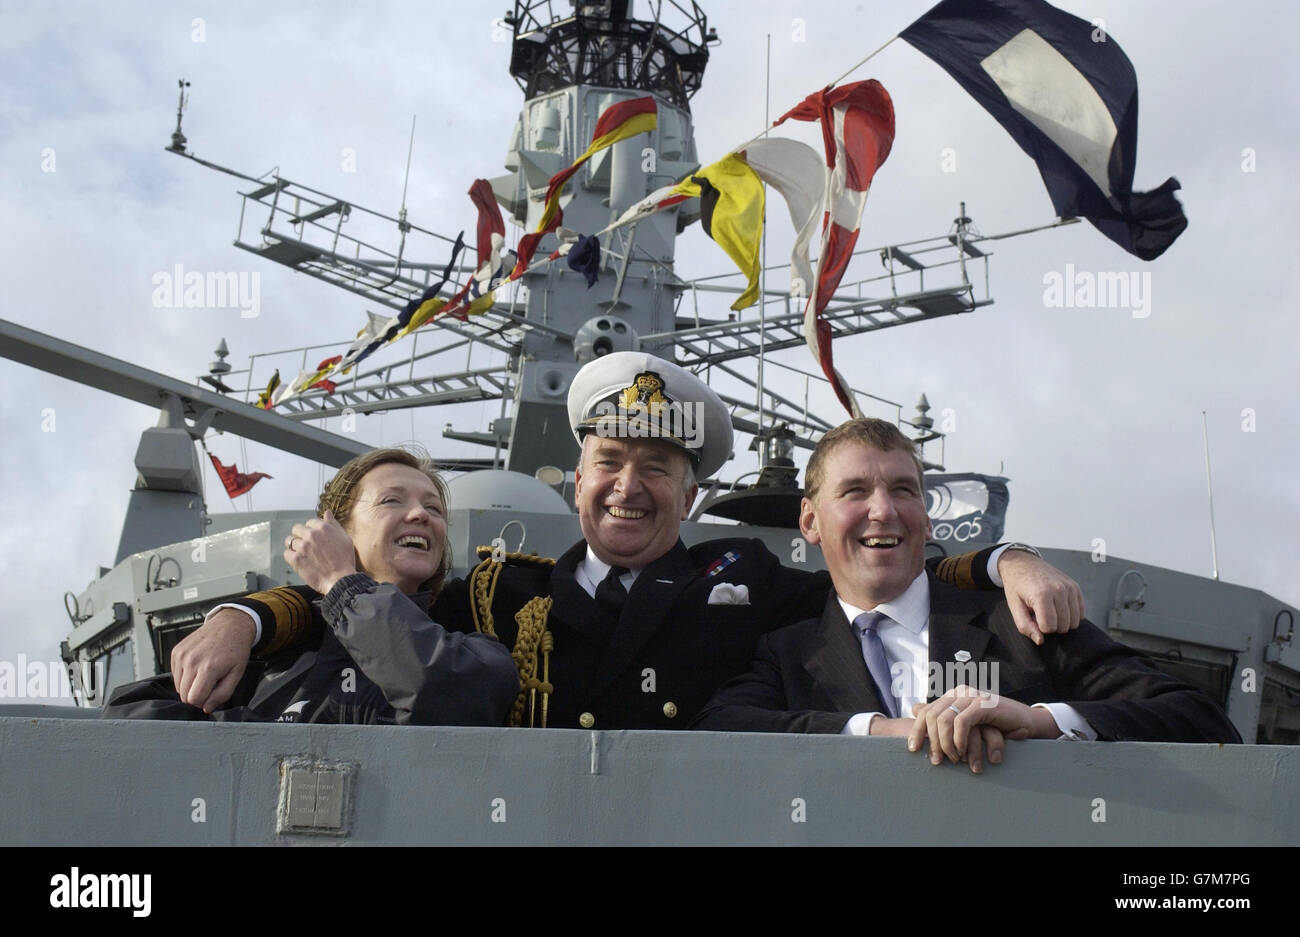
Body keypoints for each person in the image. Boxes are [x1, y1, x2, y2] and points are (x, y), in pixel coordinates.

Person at [166, 353, 1085, 730]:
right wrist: (248, 614)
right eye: (610, 459)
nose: (629, 485)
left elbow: (872, 569)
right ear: (576, 478)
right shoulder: (498, 592)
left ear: (691, 494)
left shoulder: (752, 577)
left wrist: (1006, 561)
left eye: (657, 466)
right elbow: (371, 604)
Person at [690, 419, 1242, 769]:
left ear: (927, 519)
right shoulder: (787, 650)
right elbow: (717, 726)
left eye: (904, 490)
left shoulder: (1021, 622)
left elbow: (1199, 719)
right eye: (855, 491)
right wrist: (881, 731)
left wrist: (1038, 721)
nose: (883, 510)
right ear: (810, 521)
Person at [101, 447, 519, 725]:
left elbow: (448, 692)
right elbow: (125, 724)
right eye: (392, 500)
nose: (421, 515)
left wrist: (340, 584)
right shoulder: (266, 665)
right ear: (332, 527)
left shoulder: (478, 656)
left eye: (433, 507)